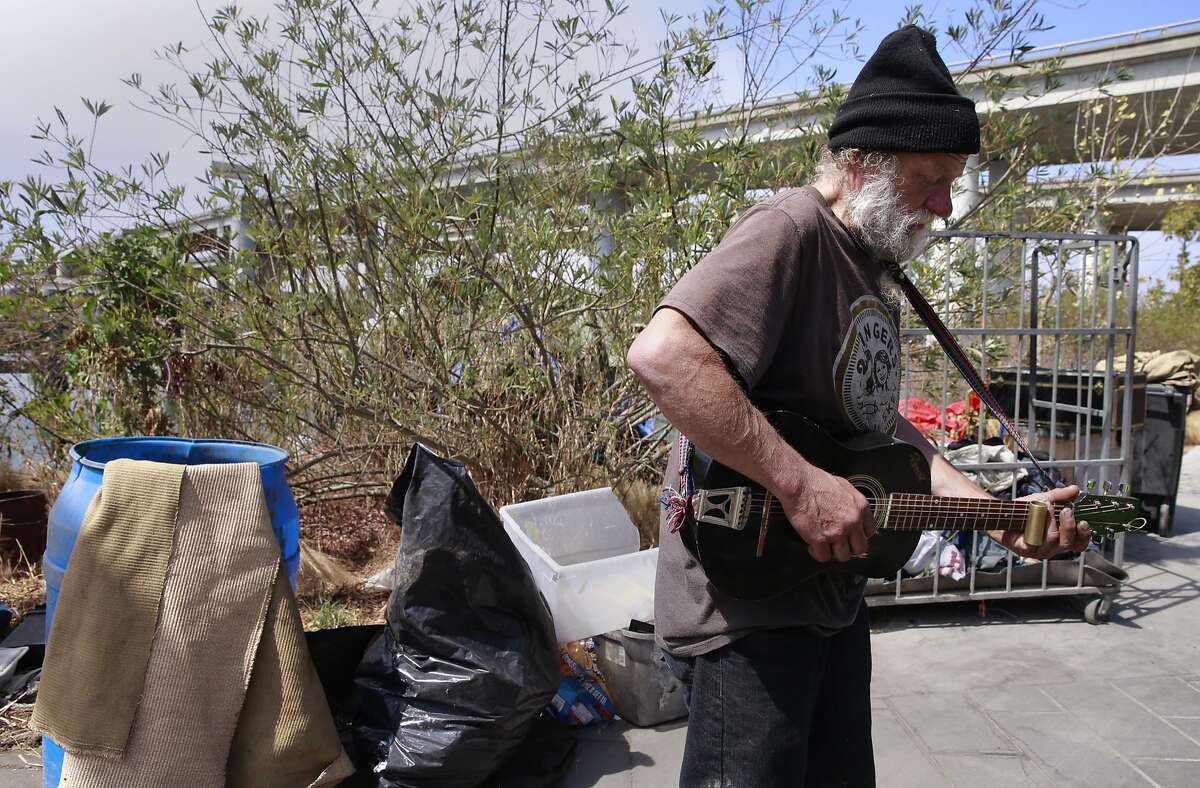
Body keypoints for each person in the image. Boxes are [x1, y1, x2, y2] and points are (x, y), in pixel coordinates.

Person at [626, 25, 1092, 788]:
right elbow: (664, 356)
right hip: (748, 609)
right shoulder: (791, 230)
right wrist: (804, 486)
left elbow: (876, 435)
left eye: (952, 181)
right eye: (931, 178)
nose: (944, 205)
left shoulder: (871, 264)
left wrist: (1002, 517)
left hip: (825, 602)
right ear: (859, 163)